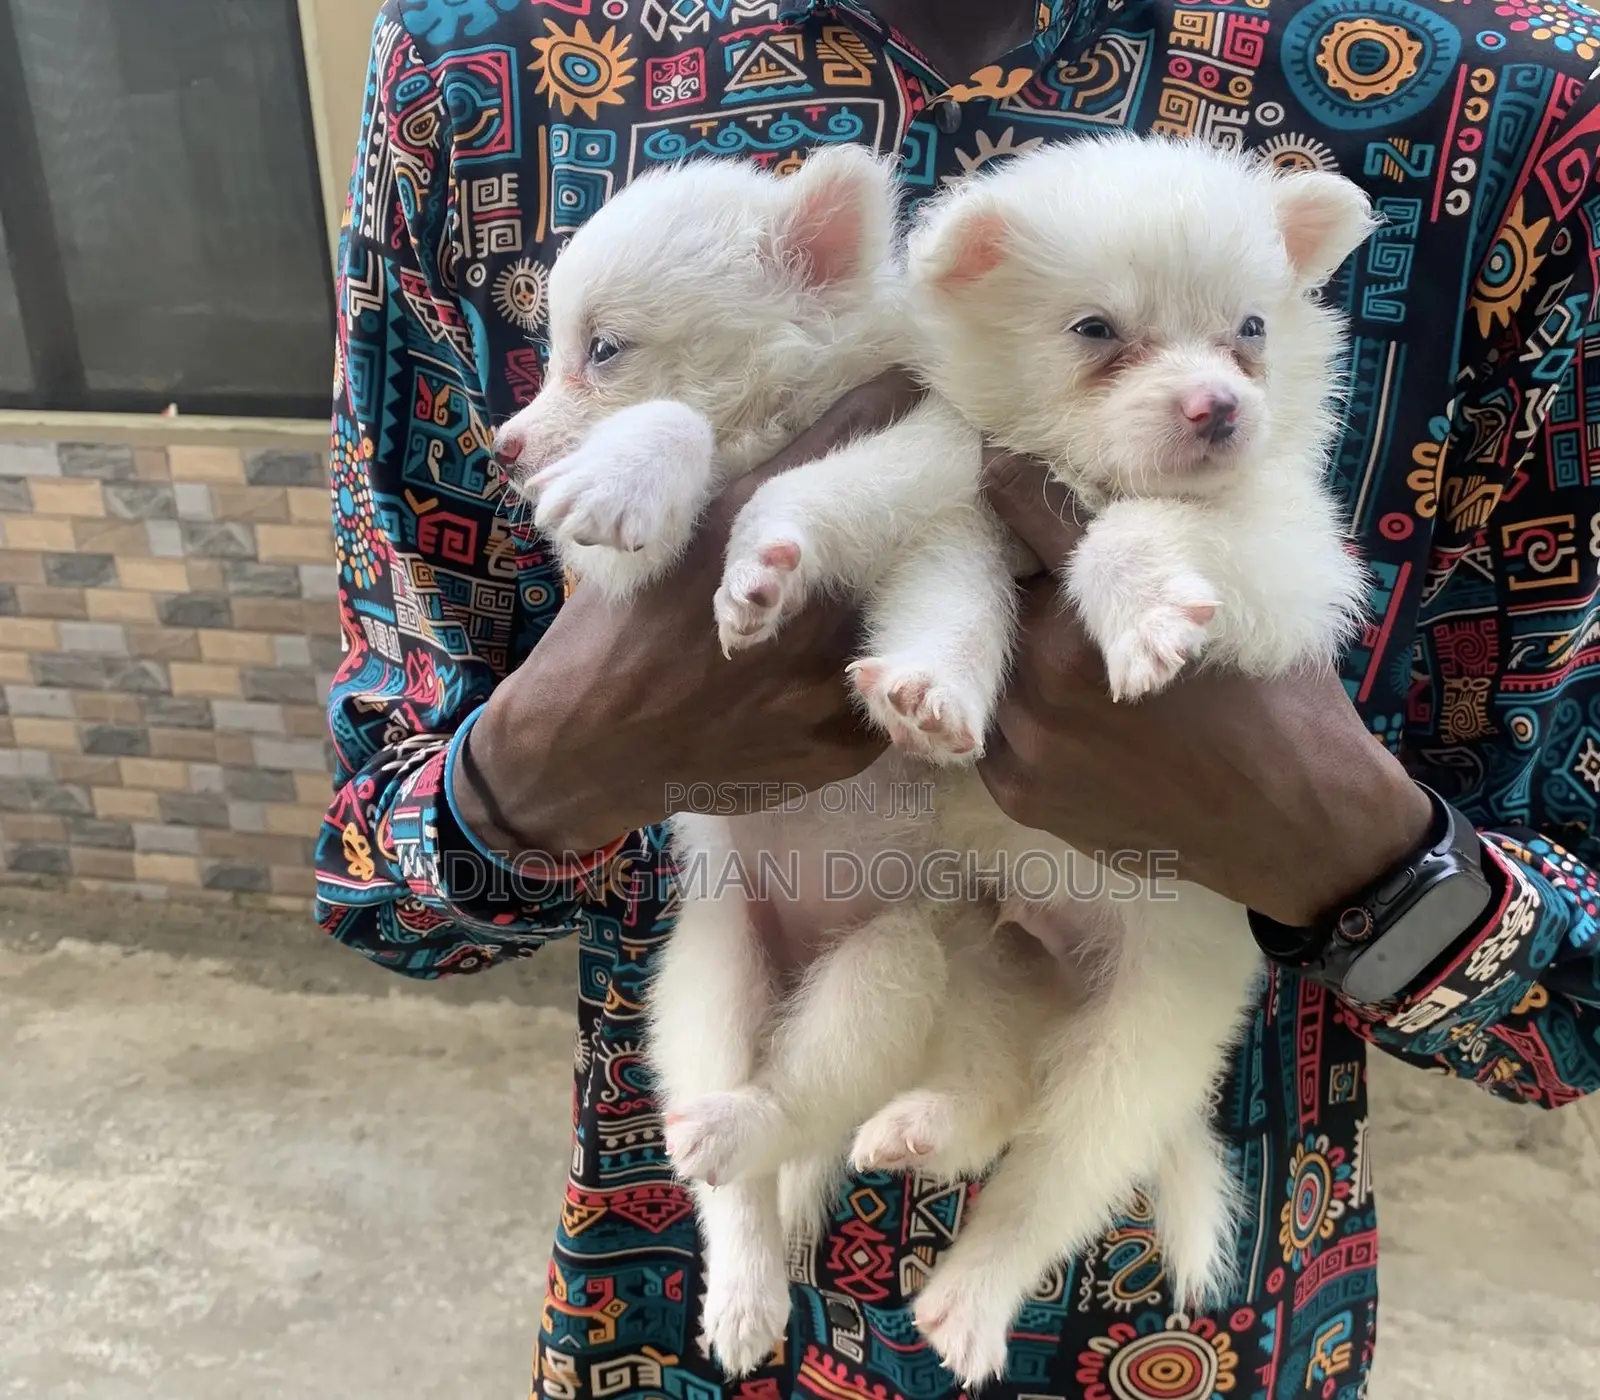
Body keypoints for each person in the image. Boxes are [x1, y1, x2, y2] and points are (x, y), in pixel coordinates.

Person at [317, 2, 1600, 1396]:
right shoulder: (474, 71)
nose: (1213, 387)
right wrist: (544, 761)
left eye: (1240, 338)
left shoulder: (1510, 90)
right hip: (680, 1300)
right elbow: (378, 865)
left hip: (1189, 1332)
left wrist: (1358, 851)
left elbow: (1571, 1007)